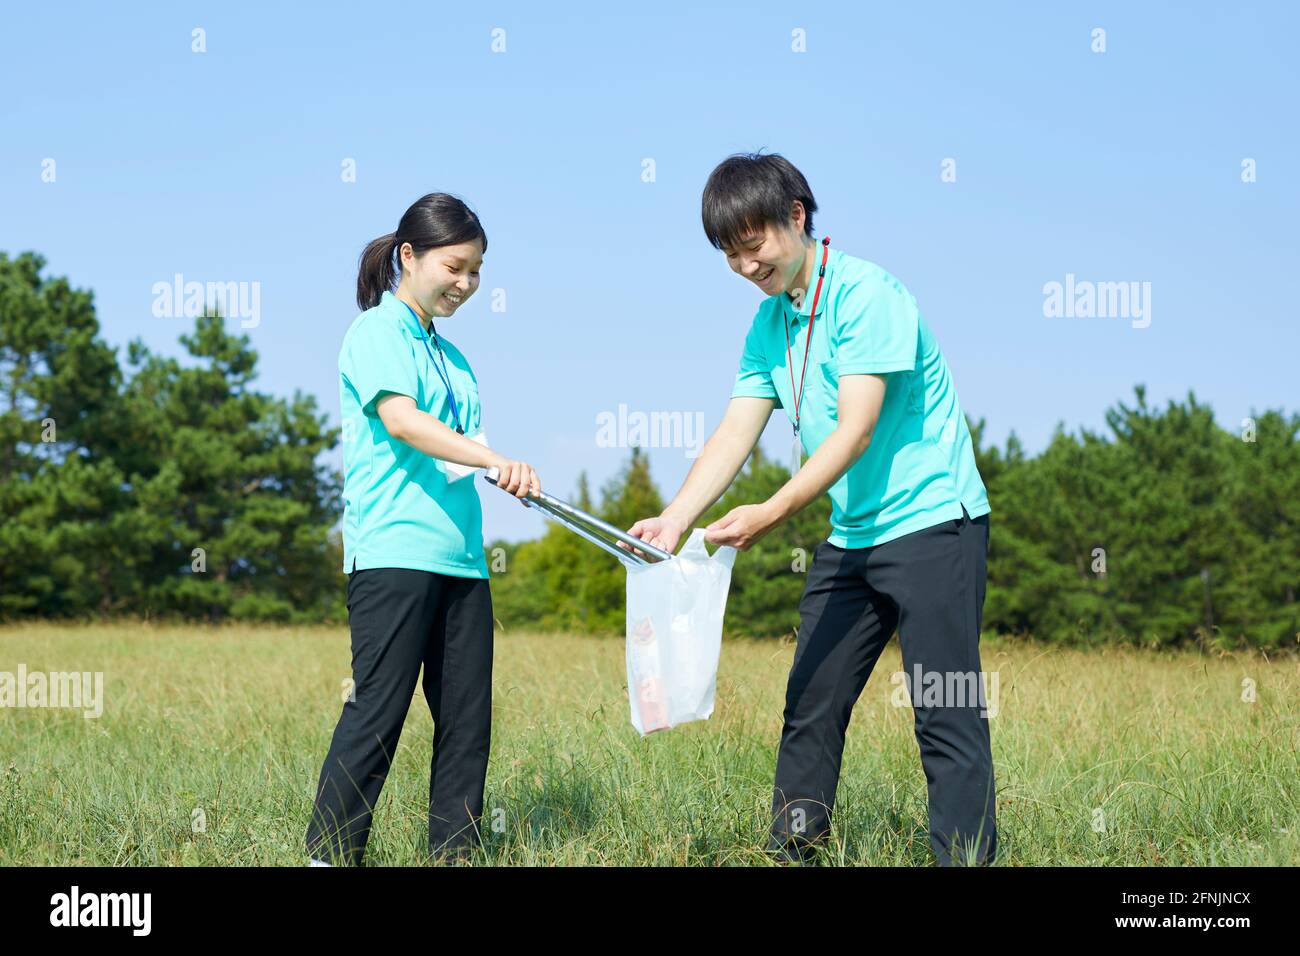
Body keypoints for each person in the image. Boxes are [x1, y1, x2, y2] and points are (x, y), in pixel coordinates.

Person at [625, 153, 996, 866]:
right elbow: (737, 429)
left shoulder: (867, 295)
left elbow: (856, 428)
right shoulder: (770, 327)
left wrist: (772, 511)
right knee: (811, 706)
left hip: (932, 524)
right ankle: (794, 854)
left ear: (796, 217)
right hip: (853, 536)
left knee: (944, 714)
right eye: (729, 254)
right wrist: (675, 518)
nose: (744, 265)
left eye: (753, 244)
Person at [305, 192, 540, 866]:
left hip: (463, 561)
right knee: (378, 710)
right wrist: (496, 459)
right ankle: (329, 855)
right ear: (409, 256)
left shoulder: (455, 359)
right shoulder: (376, 333)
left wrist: (502, 474)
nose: (465, 285)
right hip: (394, 554)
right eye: (455, 267)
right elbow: (405, 422)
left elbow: (459, 448)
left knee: (468, 721)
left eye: (476, 272)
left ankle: (454, 854)